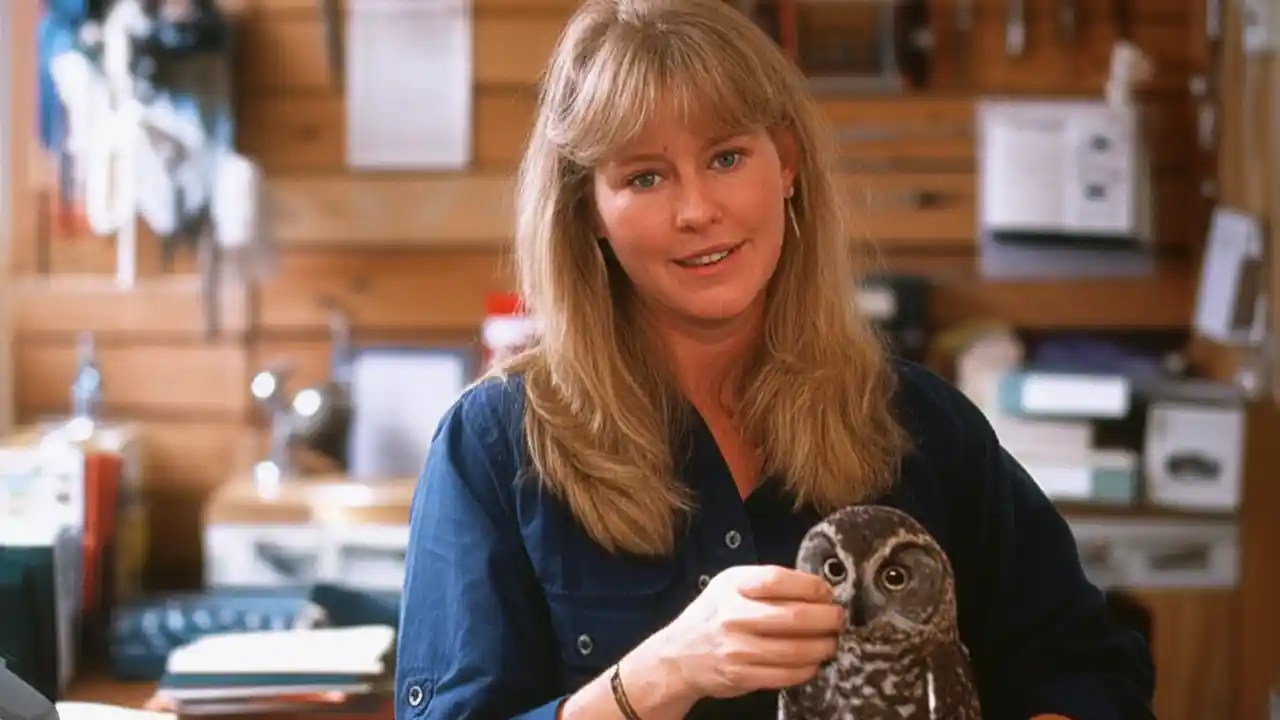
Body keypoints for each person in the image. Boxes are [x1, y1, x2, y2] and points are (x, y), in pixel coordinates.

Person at [394, 0, 1155, 718]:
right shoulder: (494, 449)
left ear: (786, 164)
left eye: (726, 157)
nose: (697, 211)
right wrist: (662, 675)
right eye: (645, 177)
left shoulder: (919, 423)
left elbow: (1087, 664)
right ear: (588, 209)